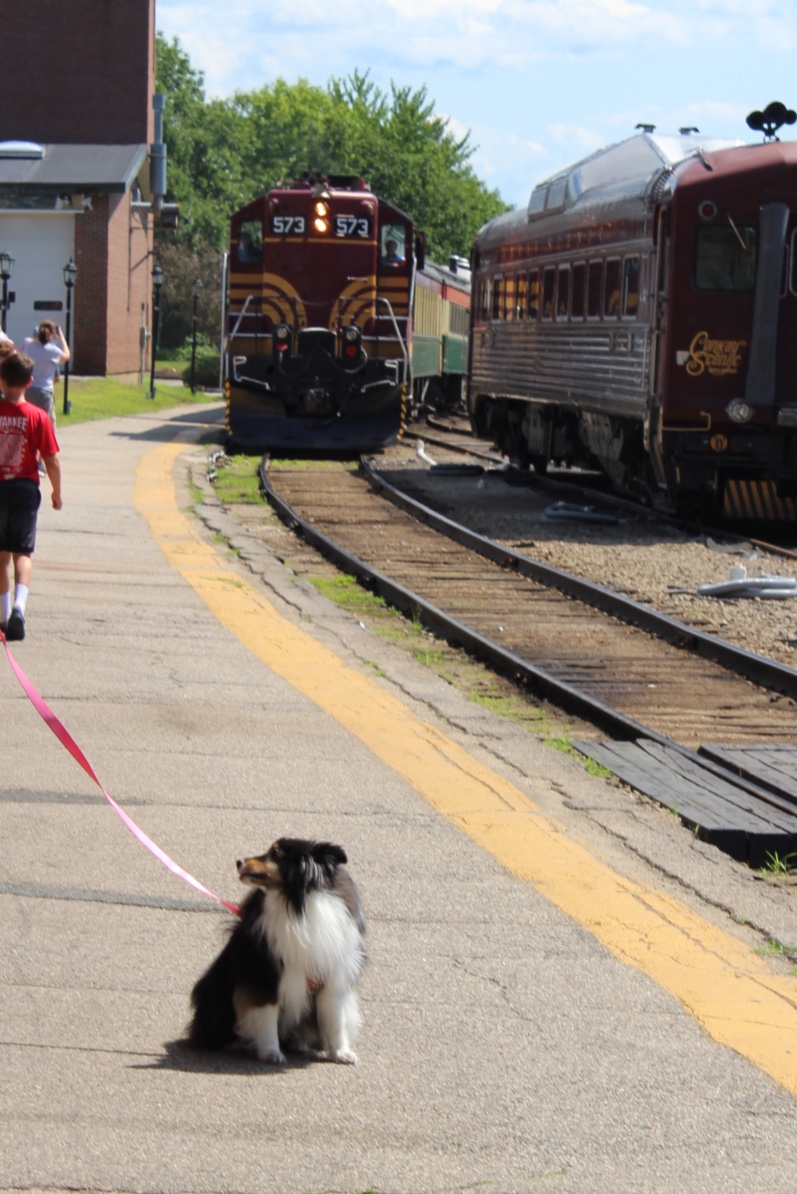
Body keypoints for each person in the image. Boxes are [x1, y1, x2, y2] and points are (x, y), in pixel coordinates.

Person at [0, 350, 62, 641]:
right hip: (25, 489)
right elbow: (51, 459)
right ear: (30, 382)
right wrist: (56, 492)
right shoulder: (38, 417)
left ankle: (2, 616)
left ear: (1, 380)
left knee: (0, 557)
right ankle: (19, 609)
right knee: (22, 553)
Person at [21, 320, 70, 429]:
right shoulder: (52, 350)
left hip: (28, 389)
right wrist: (62, 338)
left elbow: (25, 346)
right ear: (52, 334)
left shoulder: (28, 344)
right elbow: (66, 356)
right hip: (44, 391)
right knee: (45, 424)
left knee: (29, 421)